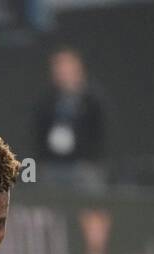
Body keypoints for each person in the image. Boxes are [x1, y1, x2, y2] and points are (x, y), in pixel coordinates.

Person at [32, 47, 106, 191]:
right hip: (53, 166)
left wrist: (91, 159)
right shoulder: (46, 100)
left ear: (78, 69)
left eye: (66, 68)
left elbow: (99, 131)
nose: (62, 73)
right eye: (58, 68)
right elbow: (38, 131)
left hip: (83, 166)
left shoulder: (92, 99)